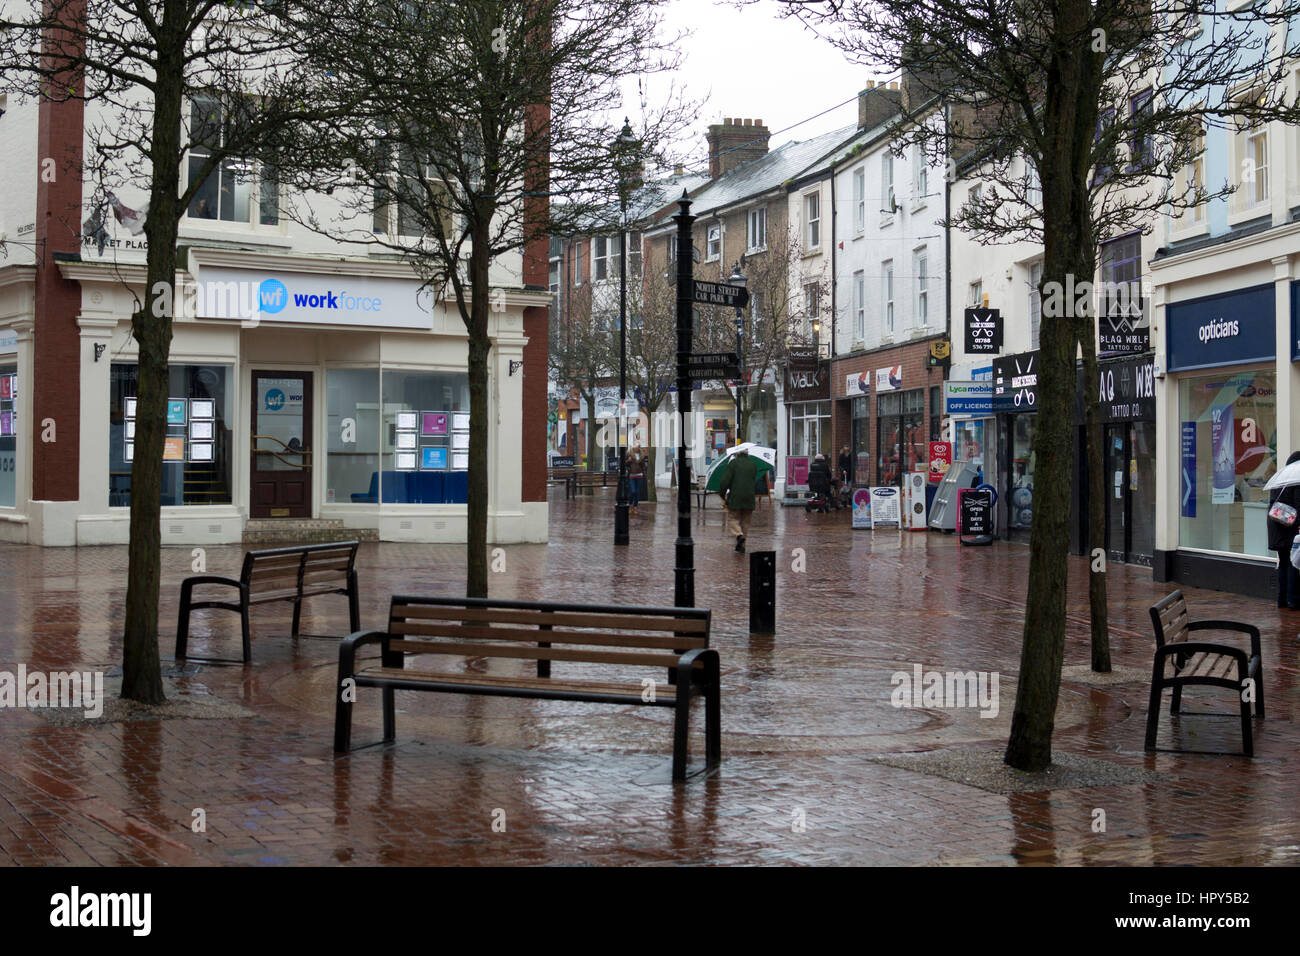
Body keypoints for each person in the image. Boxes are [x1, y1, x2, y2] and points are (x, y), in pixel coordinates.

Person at [1267, 450, 1300, 609]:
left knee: (1283, 563)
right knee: (1293, 563)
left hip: (1277, 529)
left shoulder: (1281, 480)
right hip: (1291, 530)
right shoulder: (1296, 482)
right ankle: (1293, 600)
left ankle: (1282, 599)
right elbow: (1298, 506)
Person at [715, 446, 759, 553]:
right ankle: (742, 546)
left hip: (736, 497)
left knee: (733, 518)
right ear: (747, 453)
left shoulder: (733, 464)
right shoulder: (753, 465)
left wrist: (722, 494)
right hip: (749, 497)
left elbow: (725, 481)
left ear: (737, 453)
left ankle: (739, 536)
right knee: (745, 522)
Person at [626, 444, 646, 514]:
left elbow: (643, 466)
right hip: (632, 475)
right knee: (633, 491)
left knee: (637, 492)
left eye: (638, 447)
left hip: (640, 475)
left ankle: (635, 507)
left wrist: (645, 475)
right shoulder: (629, 453)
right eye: (635, 447)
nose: (636, 449)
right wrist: (628, 461)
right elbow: (624, 464)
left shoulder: (642, 455)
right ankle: (630, 505)